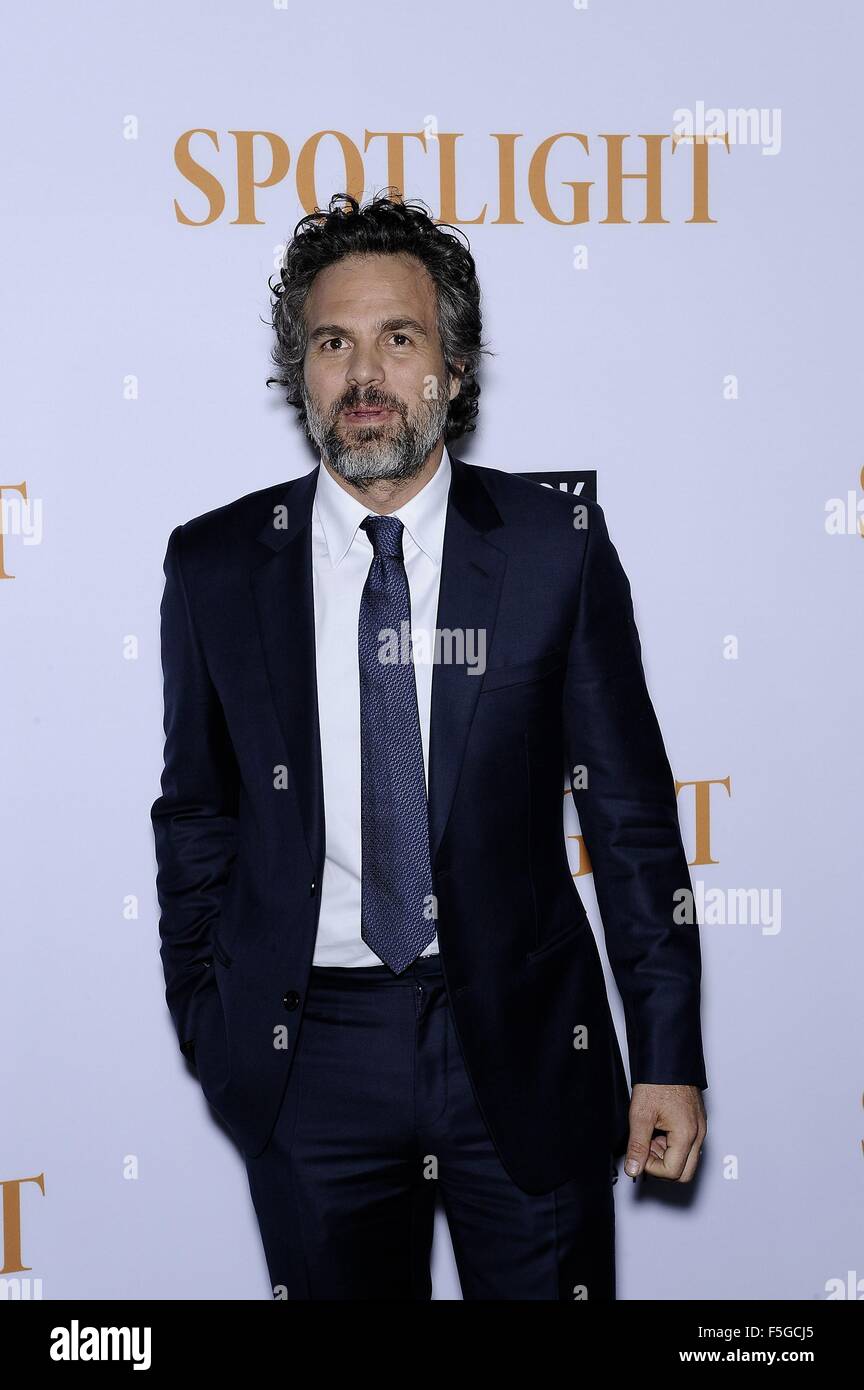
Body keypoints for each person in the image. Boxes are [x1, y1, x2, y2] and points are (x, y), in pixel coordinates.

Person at [150, 189, 708, 1301]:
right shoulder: (216, 564)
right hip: (313, 1052)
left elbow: (633, 818)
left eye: (400, 340)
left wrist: (669, 1054)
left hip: (528, 1038)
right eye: (333, 343)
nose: (366, 376)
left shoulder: (556, 551)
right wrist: (212, 1020)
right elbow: (198, 811)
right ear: (299, 373)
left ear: (452, 368)